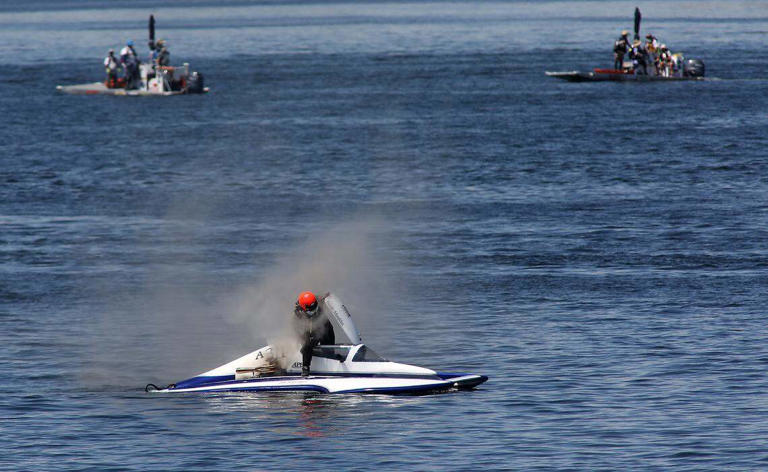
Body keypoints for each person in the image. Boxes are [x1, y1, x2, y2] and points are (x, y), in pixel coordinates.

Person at [293, 291, 335, 377]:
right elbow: (298, 332)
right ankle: (305, 367)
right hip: (306, 330)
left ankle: (330, 354)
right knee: (308, 342)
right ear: (303, 308)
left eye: (315, 308)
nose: (313, 311)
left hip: (317, 324)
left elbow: (323, 298)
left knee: (327, 327)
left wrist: (328, 297)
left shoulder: (315, 300)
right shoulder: (297, 316)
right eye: (310, 311)